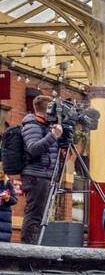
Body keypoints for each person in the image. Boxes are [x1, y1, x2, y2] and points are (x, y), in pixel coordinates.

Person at [19, 95, 62, 244]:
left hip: (43, 175)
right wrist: (53, 136)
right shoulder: (32, 125)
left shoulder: (45, 126)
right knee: (34, 215)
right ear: (49, 109)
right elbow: (33, 149)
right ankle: (27, 252)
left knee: (39, 215)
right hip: (36, 176)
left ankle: (32, 249)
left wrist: (60, 134)